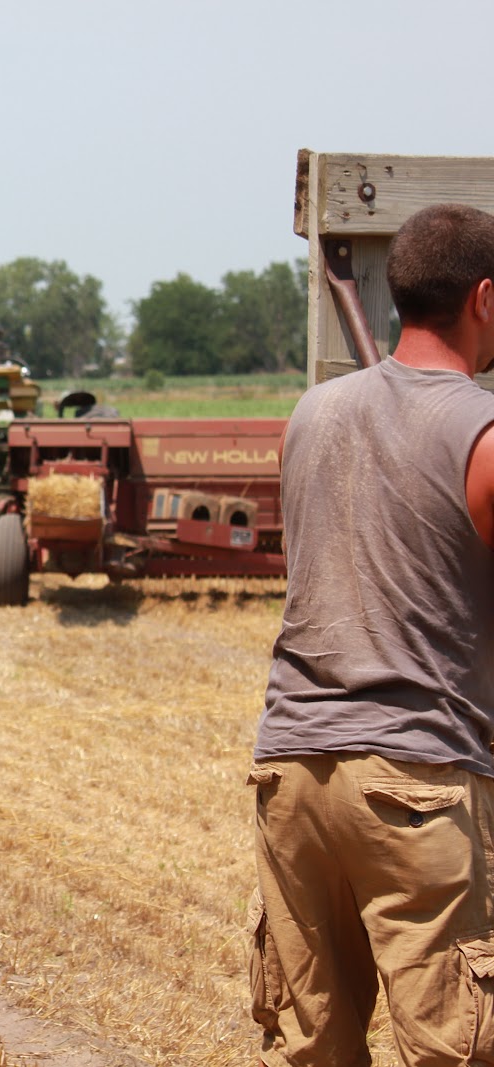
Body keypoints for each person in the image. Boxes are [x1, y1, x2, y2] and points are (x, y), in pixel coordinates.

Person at [250, 203, 494, 1066]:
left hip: (293, 771)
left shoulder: (310, 415)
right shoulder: (481, 434)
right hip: (415, 779)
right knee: (452, 1047)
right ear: (486, 300)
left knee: (314, 1046)